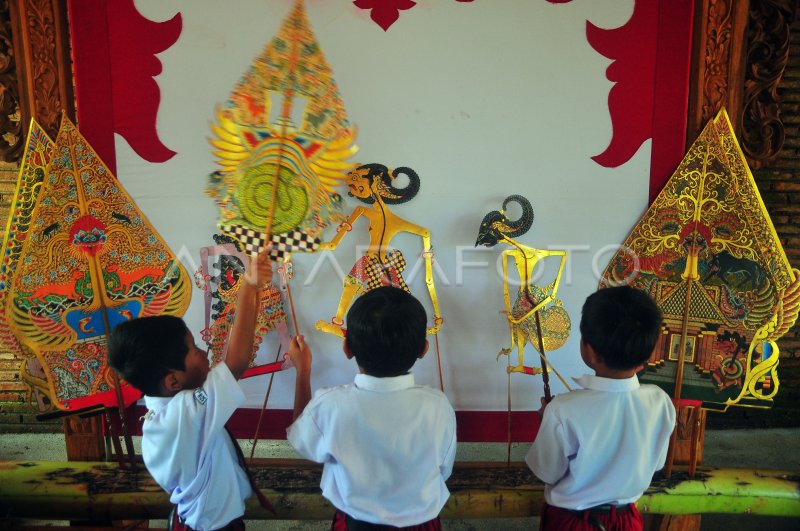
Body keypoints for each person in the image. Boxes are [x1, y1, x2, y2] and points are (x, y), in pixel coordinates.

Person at [108, 252, 277, 531]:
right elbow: (236, 362)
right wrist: (247, 287)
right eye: (194, 350)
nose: (203, 353)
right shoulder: (184, 413)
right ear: (173, 381)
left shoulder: (163, 415)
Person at [287, 286, 456, 530]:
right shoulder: (437, 406)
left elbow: (302, 438)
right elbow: (443, 470)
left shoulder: (332, 405)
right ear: (424, 350)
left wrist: (303, 371)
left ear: (346, 348)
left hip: (354, 524)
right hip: (421, 524)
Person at [525, 285, 676, 531]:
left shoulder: (562, 410)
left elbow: (548, 472)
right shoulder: (660, 402)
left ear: (589, 350)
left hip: (572, 523)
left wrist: (548, 422)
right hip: (627, 521)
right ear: (645, 356)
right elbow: (656, 463)